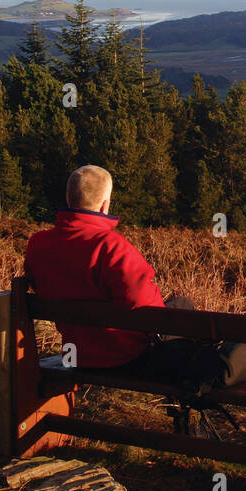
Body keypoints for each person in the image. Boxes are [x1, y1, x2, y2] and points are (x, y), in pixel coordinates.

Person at [24, 164, 229, 394]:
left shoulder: (38, 244)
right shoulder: (111, 247)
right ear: (105, 204)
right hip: (122, 358)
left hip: (75, 354)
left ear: (69, 199)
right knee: (182, 306)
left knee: (178, 307)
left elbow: (38, 286)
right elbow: (147, 313)